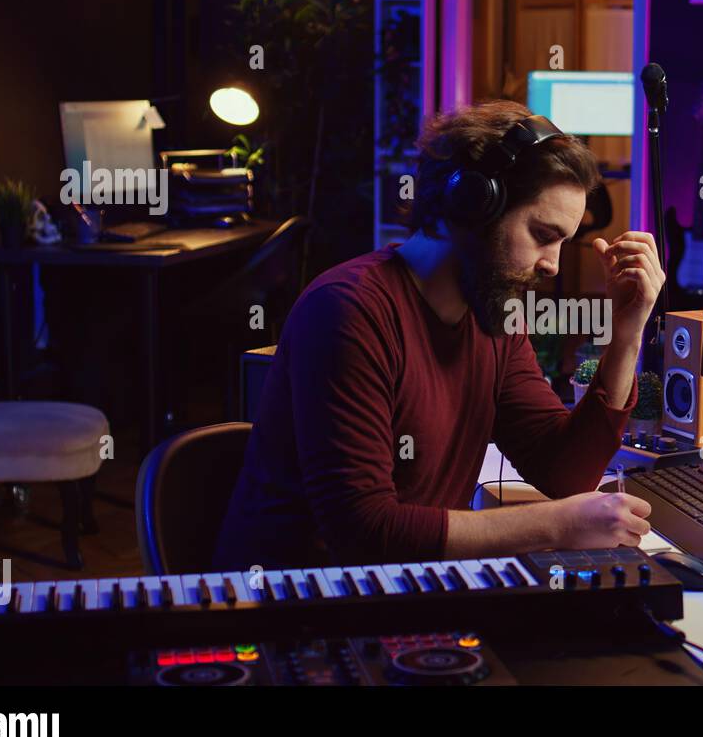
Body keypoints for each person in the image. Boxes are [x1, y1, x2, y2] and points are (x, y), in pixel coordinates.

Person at [213, 100, 665, 569]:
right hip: (304, 610)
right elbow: (363, 531)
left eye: (561, 243)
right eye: (541, 234)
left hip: (410, 591)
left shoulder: (495, 320)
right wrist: (557, 524)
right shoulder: (349, 311)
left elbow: (565, 473)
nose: (552, 265)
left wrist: (628, 331)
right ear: (471, 204)